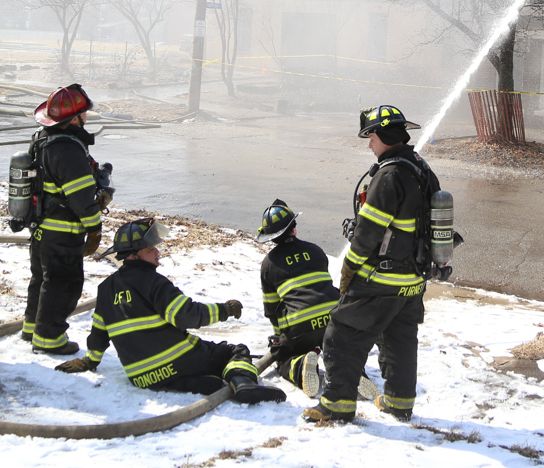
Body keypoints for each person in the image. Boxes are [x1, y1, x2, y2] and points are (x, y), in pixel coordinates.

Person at [54, 219, 287, 405]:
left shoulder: (105, 289)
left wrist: (89, 361)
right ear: (133, 255)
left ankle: (201, 383)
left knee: (209, 380)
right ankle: (246, 386)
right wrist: (224, 310)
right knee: (234, 351)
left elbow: (98, 334)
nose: (157, 252)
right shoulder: (153, 282)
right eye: (150, 249)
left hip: (141, 376)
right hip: (178, 360)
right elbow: (187, 315)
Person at [305, 105, 440, 424]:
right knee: (399, 342)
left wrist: (348, 269)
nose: (369, 145)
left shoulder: (389, 175)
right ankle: (399, 403)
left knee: (341, 336)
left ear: (384, 136)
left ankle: (336, 405)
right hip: (412, 282)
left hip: (381, 281)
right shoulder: (422, 169)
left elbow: (368, 233)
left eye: (372, 138)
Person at [22, 83, 107, 355]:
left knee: (42, 279)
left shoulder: (42, 138)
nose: (86, 117)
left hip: (41, 227)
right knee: (63, 284)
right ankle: (49, 338)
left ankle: (32, 328)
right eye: (84, 113)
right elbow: (81, 198)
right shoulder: (69, 150)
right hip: (63, 231)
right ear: (74, 118)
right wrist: (94, 229)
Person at [256, 199, 340, 397]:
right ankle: (350, 369)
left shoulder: (268, 264)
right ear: (293, 227)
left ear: (271, 238)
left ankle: (300, 366)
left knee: (284, 357)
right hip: (334, 320)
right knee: (338, 349)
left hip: (300, 327)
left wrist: (280, 339)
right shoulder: (315, 250)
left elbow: (271, 309)